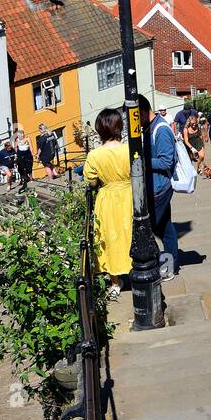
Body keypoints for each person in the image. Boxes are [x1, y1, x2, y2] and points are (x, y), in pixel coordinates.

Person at [82, 108, 133, 299]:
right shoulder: (129, 149)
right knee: (131, 232)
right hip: (128, 194)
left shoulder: (95, 155)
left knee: (110, 238)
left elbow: (92, 180)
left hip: (108, 198)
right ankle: (135, 271)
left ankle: (114, 281)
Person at [140, 95, 180, 280]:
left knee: (157, 228)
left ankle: (167, 266)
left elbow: (166, 162)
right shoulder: (150, 127)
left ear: (141, 112)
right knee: (165, 227)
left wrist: (141, 161)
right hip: (156, 187)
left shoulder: (160, 129)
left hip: (160, 188)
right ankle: (170, 265)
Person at [14, 126, 34, 191]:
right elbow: (15, 147)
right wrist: (17, 154)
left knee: (29, 166)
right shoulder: (17, 140)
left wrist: (32, 153)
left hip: (27, 153)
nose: (20, 136)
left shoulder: (27, 138)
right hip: (20, 153)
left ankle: (31, 178)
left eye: (21, 135)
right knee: (21, 167)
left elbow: (31, 146)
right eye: (19, 135)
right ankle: (24, 178)